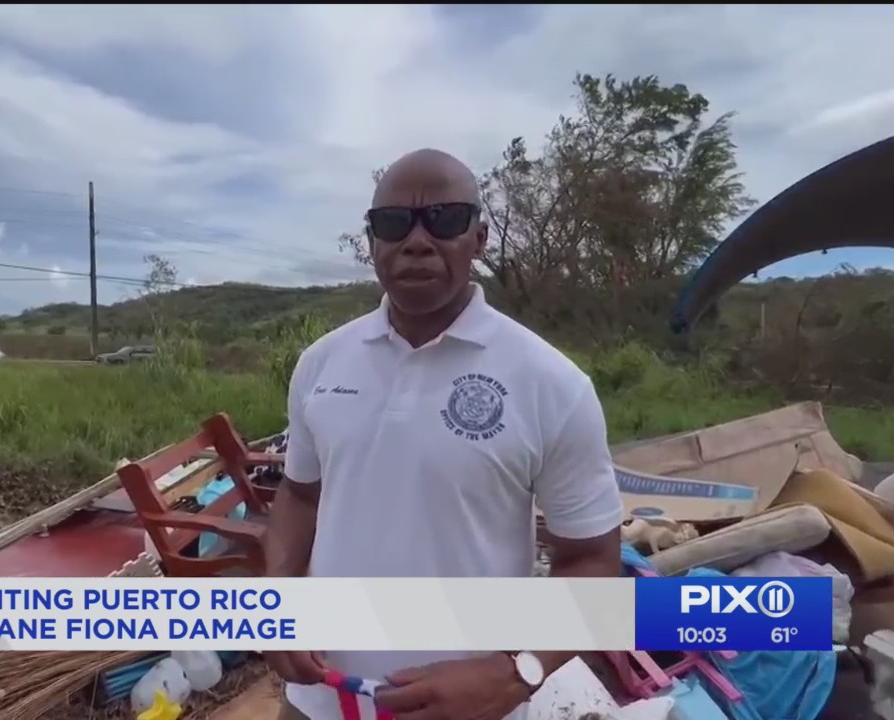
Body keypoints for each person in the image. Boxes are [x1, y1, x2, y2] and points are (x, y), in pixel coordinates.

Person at [263, 149, 624, 720]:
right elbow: (300, 494)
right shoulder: (321, 363)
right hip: (319, 699)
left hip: (470, 708)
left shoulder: (551, 383)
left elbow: (595, 560)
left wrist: (518, 669)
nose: (417, 241)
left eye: (446, 219)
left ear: (479, 238)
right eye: (393, 224)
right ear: (372, 242)